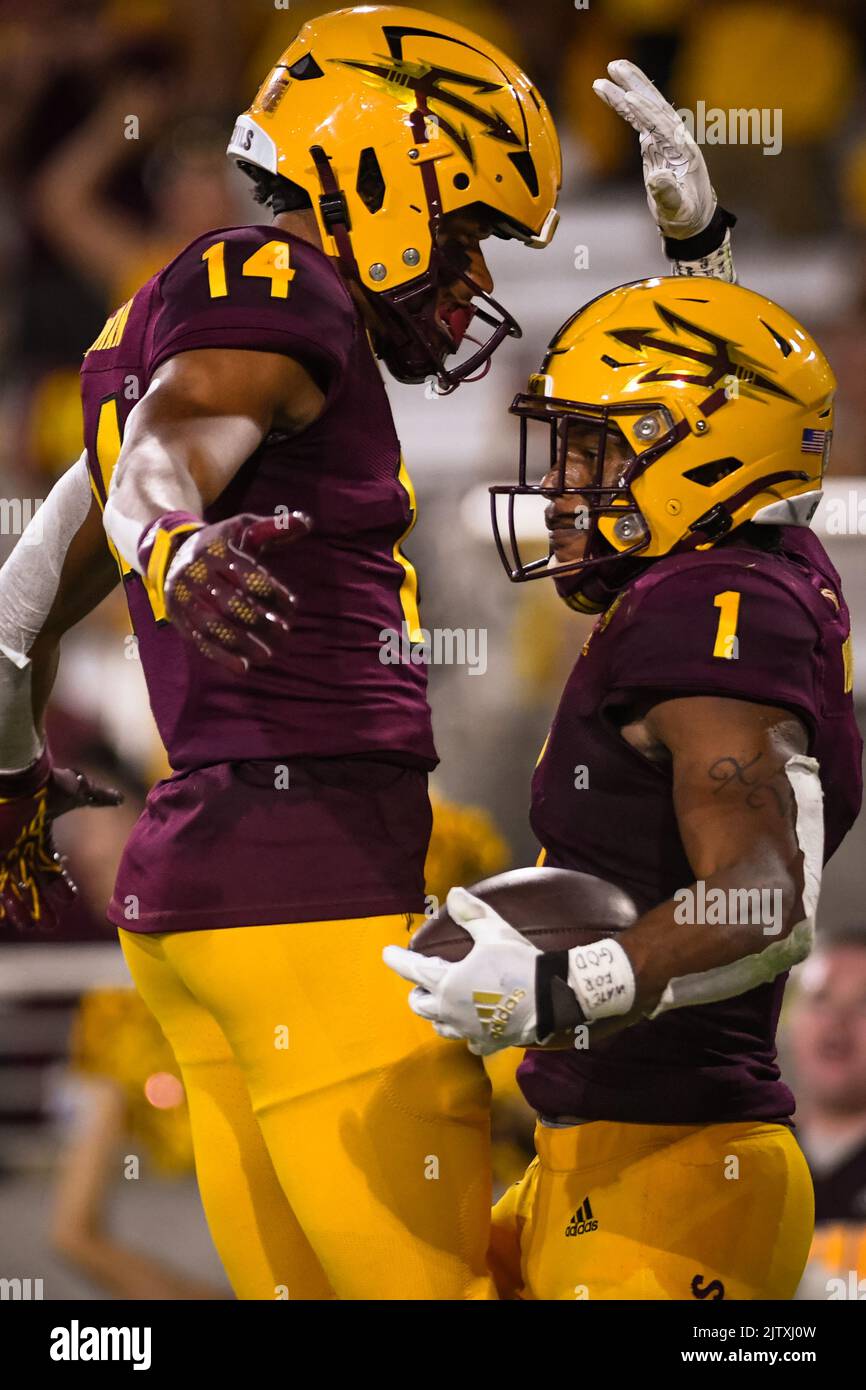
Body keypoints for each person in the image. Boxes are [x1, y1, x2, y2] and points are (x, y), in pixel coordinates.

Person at [0, 6, 561, 1301]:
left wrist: (14, 764)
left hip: (195, 908)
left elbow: (18, 610)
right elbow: (160, 465)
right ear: (383, 178)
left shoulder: (164, 311)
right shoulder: (271, 284)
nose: (473, 279)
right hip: (308, 891)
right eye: (467, 230)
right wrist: (181, 544)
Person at [386, 270, 862, 1298]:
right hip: (606, 1163)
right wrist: (699, 251)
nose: (559, 488)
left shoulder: (711, 605)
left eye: (592, 452)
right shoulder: (751, 568)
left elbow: (764, 902)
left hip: (676, 1176)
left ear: (697, 457)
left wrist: (563, 985)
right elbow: (757, 404)